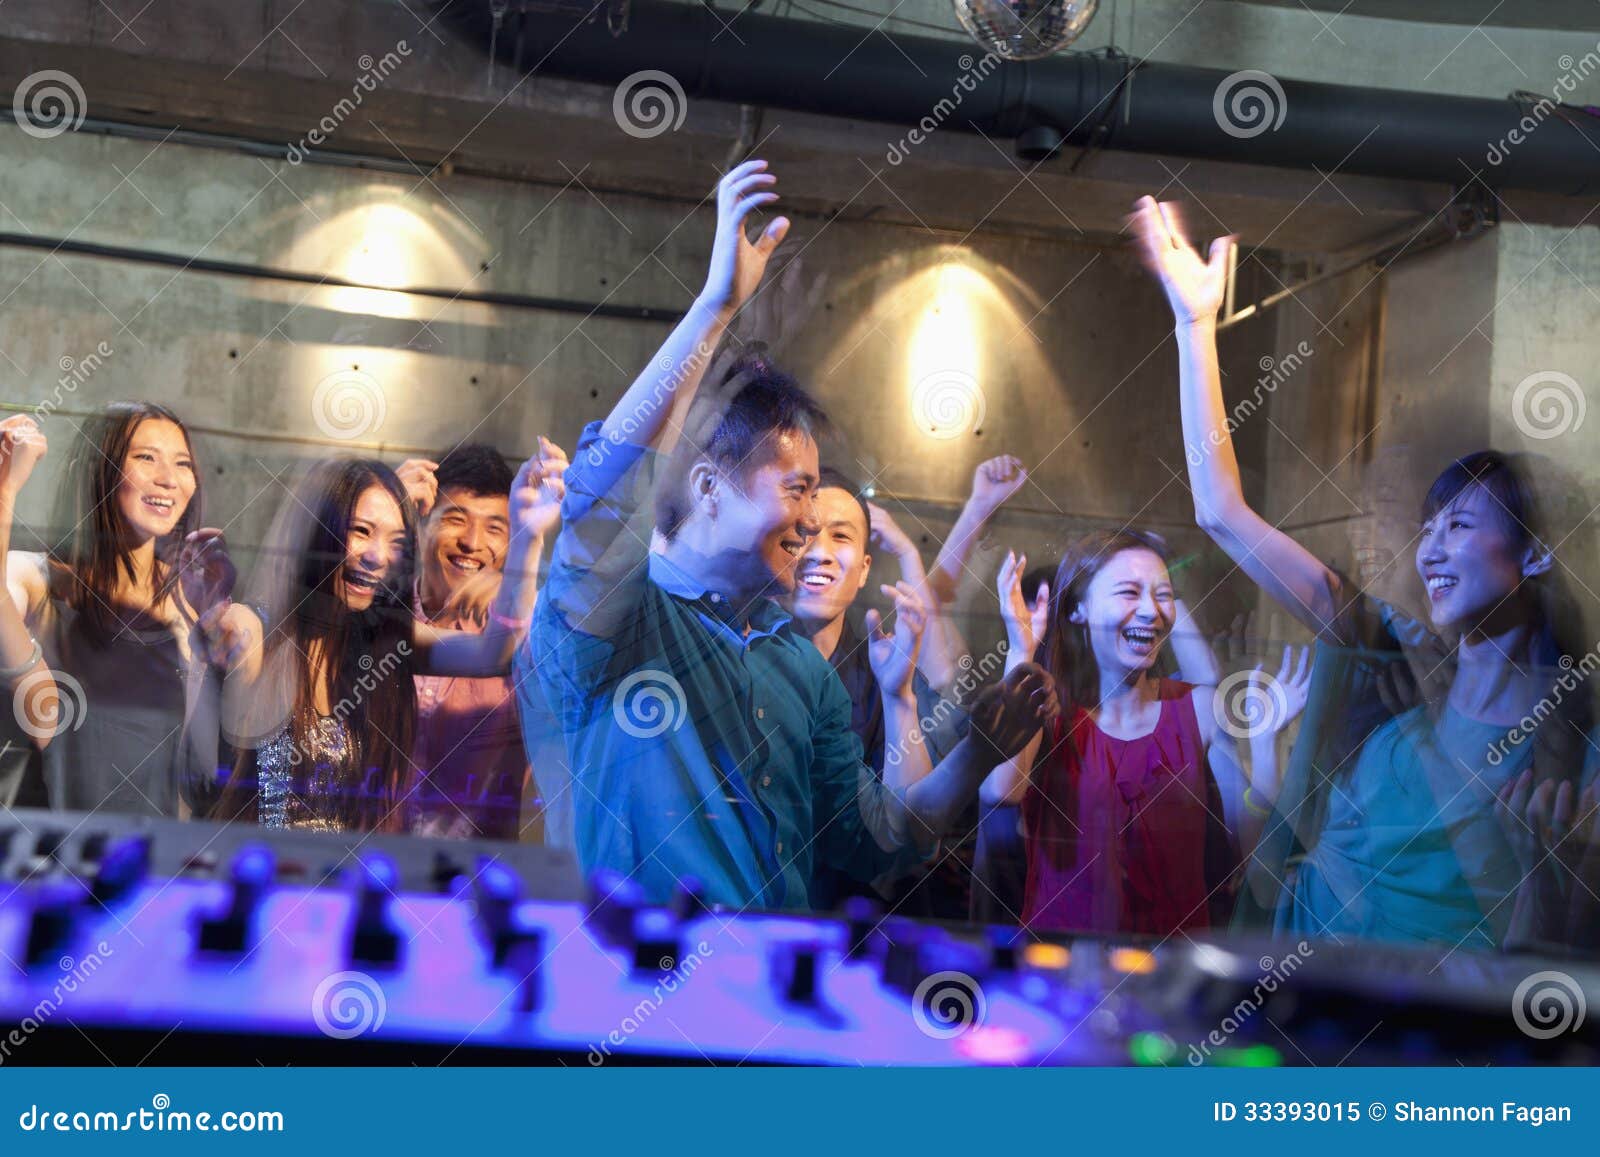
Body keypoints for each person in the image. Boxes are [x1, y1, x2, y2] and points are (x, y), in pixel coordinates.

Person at [520, 159, 1058, 910]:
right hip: (627, 1006)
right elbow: (606, 493)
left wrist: (979, 755)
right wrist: (713, 310)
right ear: (708, 488)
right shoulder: (619, 618)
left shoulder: (801, 670)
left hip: (765, 1008)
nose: (810, 519)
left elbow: (877, 836)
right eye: (797, 488)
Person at [1131, 193, 1600, 948]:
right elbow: (1222, 512)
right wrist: (1195, 331)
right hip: (1284, 1007)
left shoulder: (1572, 749)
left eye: (1460, 525)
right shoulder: (1398, 647)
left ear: (1537, 552)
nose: (1431, 549)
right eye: (1427, 527)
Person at [207, 442, 565, 834]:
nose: (379, 556)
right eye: (362, 530)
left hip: (392, 880)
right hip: (268, 871)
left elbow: (497, 653)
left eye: (396, 542)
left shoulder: (387, 640)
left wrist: (529, 540)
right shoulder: (259, 627)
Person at [984, 531, 1308, 936]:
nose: (1151, 611)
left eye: (1163, 594)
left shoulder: (1198, 708)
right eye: (1129, 592)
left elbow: (1259, 863)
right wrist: (1020, 653)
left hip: (1172, 978)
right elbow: (1001, 791)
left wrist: (1263, 745)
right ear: (1078, 609)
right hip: (1065, 969)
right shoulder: (1049, 711)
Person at [0, 405, 234, 818]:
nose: (168, 478)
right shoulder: (41, 581)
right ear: (102, 469)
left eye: (182, 464)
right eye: (146, 457)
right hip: (57, 859)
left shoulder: (193, 600)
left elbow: (206, 772)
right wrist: (4, 490)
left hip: (165, 864)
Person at [785, 467, 969, 915]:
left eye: (841, 537)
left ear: (865, 568)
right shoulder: (741, 659)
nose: (821, 553)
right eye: (805, 533)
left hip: (859, 926)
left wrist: (898, 693)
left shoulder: (885, 669)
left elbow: (914, 834)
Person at [395, 443, 564, 841]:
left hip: (476, 881)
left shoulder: (533, 629)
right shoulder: (382, 615)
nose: (472, 543)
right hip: (366, 865)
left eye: (495, 529)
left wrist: (517, 586)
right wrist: (388, 509)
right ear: (421, 524)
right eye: (456, 519)